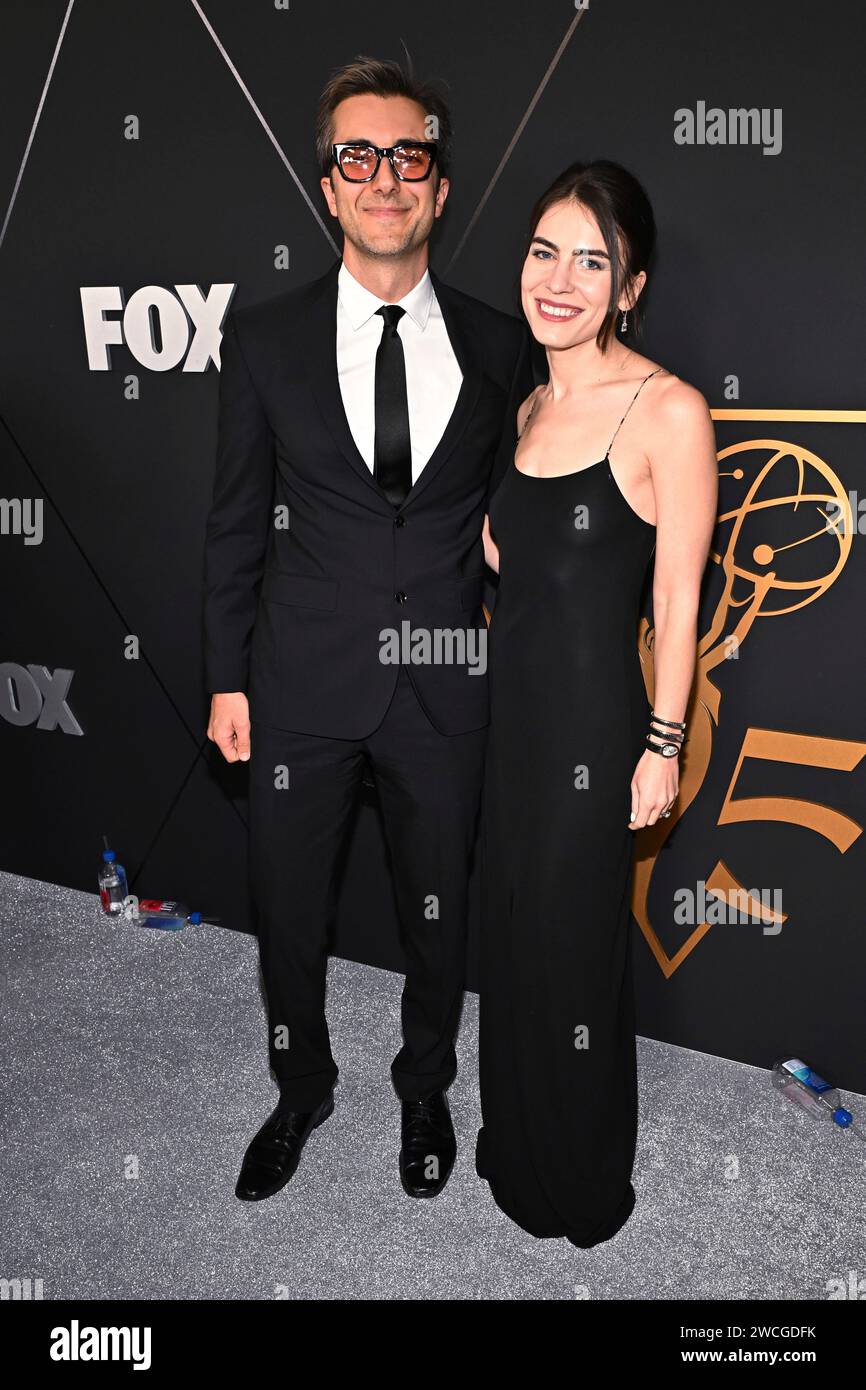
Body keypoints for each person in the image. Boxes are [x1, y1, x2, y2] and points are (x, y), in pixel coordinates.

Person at [202, 56, 534, 1202]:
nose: (384, 177)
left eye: (409, 156)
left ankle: (426, 1086)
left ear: (438, 188)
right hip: (297, 682)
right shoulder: (265, 340)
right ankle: (299, 1089)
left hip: (444, 688)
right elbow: (234, 525)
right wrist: (224, 680)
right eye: (359, 157)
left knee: (436, 915)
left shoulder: (499, 345)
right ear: (329, 188)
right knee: (285, 915)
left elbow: (519, 523)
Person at [475, 160, 718, 1246]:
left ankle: (579, 1184)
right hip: (507, 728)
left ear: (629, 285)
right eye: (542, 252)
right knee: (514, 941)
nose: (559, 280)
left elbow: (675, 598)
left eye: (591, 260)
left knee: (573, 957)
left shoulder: (668, 411)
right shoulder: (525, 402)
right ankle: (512, 1145)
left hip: (590, 735)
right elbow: (502, 560)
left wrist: (660, 744)